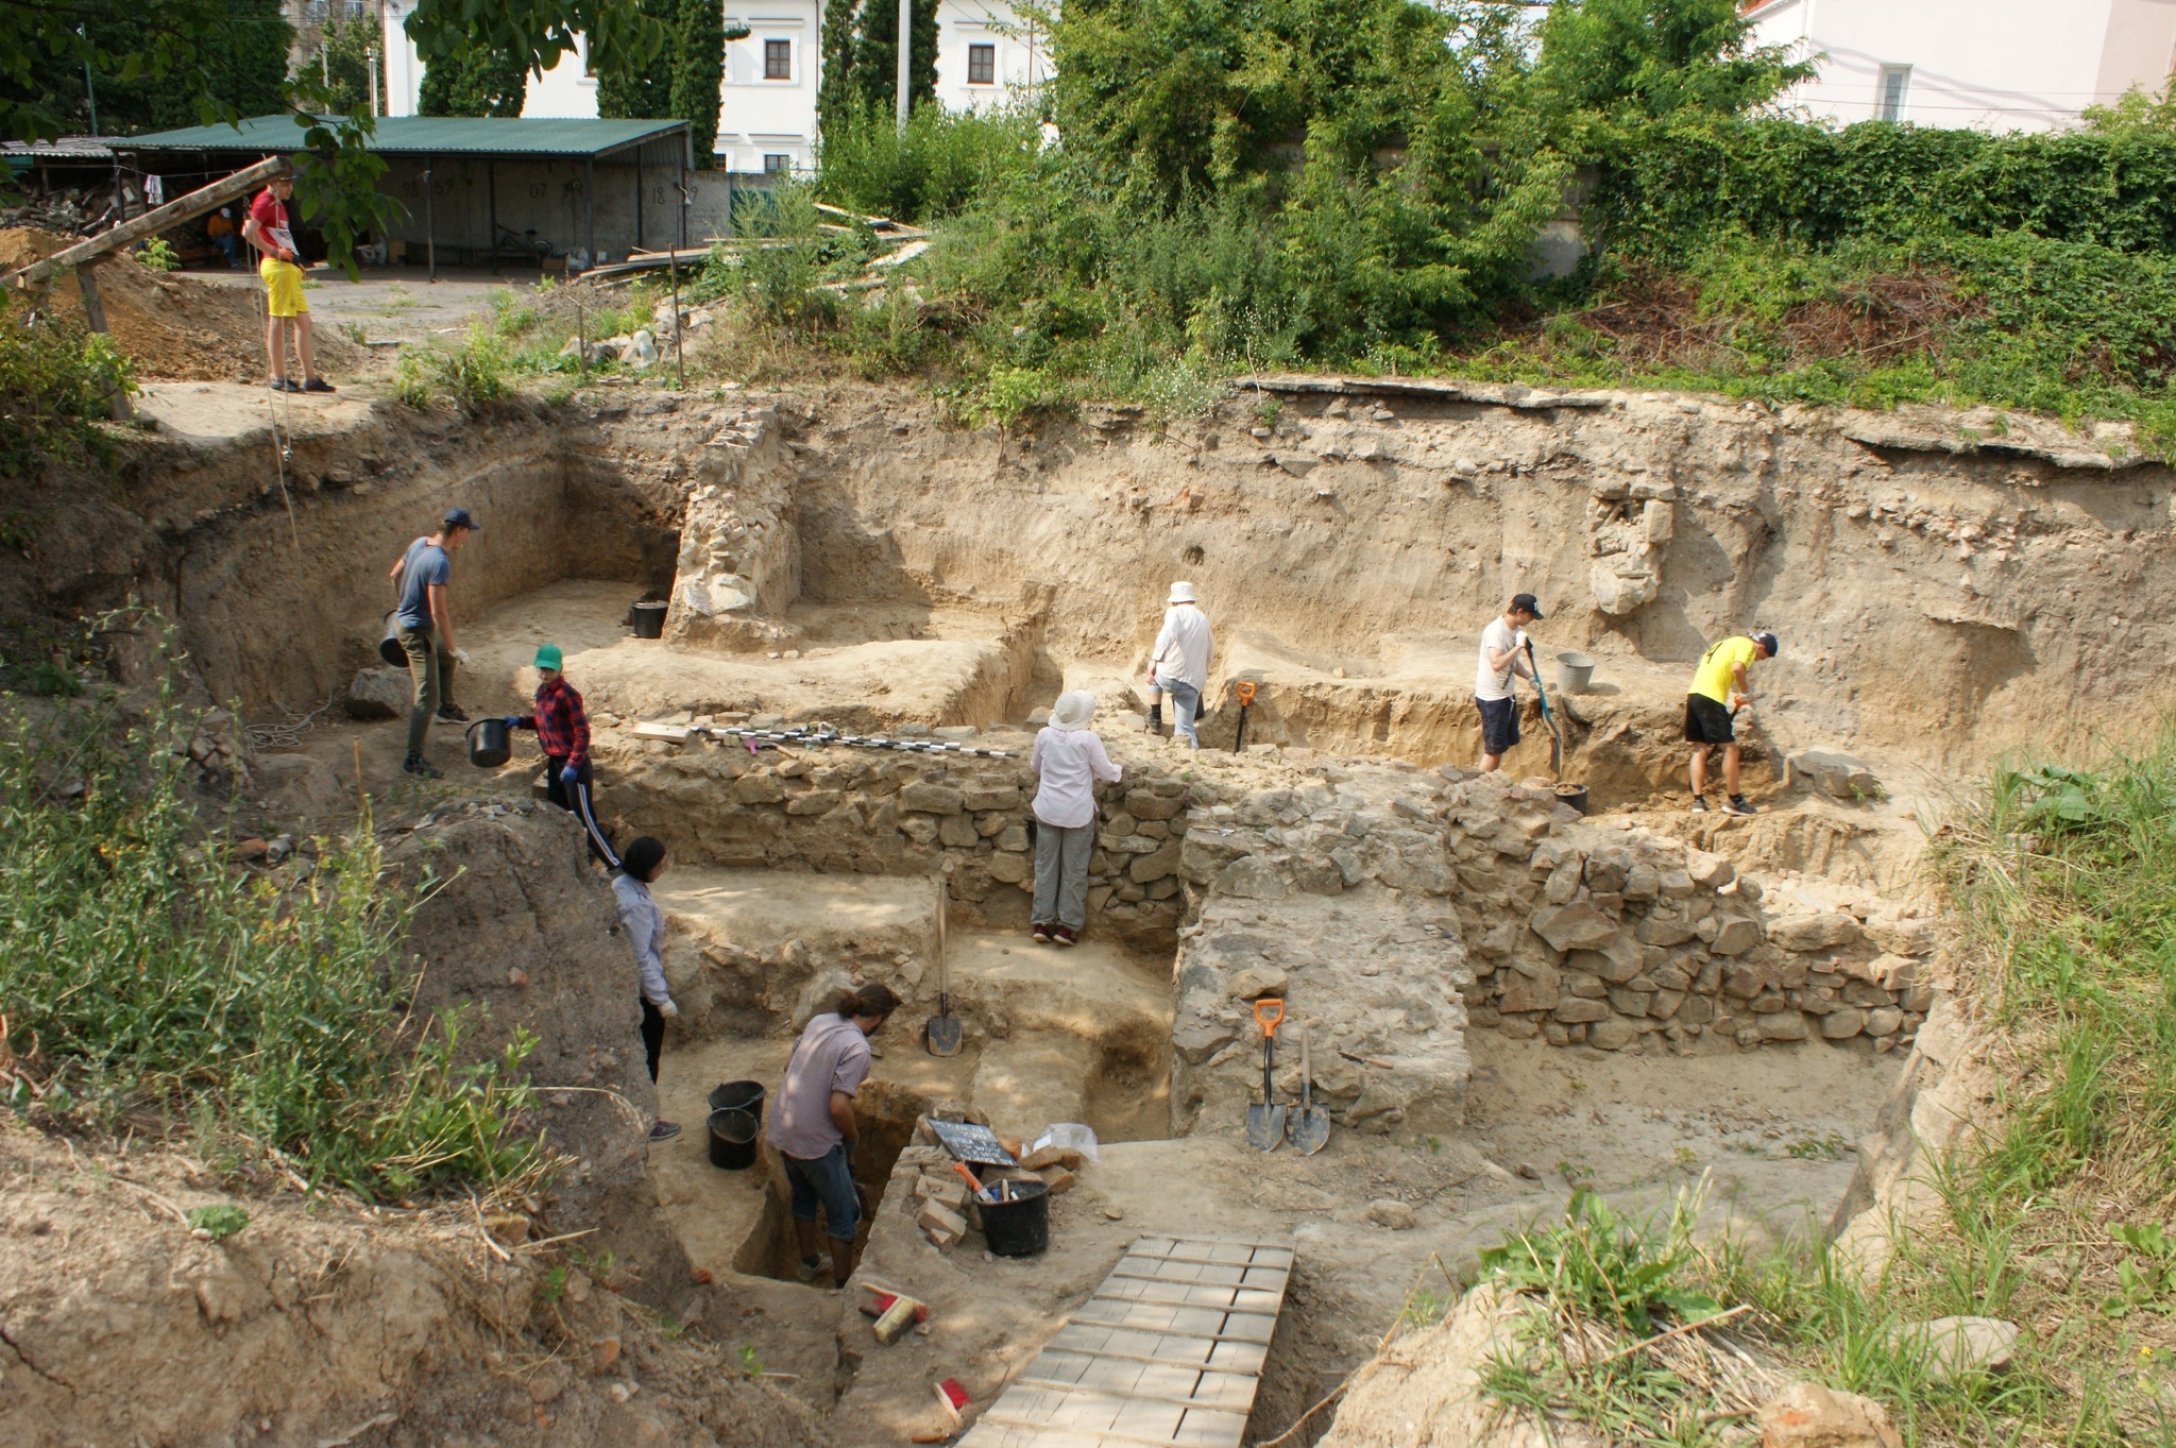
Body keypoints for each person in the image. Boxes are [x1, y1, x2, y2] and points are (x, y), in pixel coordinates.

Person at [771, 983, 900, 1289]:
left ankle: (808, 1264)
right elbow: (839, 1107)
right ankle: (844, 1285)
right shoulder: (857, 1048)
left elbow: (789, 1066)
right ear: (879, 1018)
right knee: (843, 1214)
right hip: (817, 1143)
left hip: (784, 1127)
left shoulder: (821, 1021)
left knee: (803, 1198)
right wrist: (852, 1137)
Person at [504, 644, 623, 869]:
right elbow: (542, 722)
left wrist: (573, 764)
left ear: (560, 668)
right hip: (555, 762)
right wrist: (520, 722)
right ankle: (568, 863)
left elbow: (582, 733)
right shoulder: (541, 692)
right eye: (541, 669)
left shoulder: (567, 695)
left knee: (585, 819)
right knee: (557, 813)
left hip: (573, 766)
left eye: (549, 670)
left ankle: (615, 865)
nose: (545, 674)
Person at [1030, 690, 1123, 947]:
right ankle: (1066, 928)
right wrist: (1119, 770)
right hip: (1077, 814)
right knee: (1074, 871)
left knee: (1045, 867)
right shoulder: (1088, 739)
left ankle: (1041, 922)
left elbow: (1035, 767)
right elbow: (1107, 773)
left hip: (1047, 809)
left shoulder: (1044, 735)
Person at [390, 508, 478, 778]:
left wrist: (403, 605)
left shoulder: (419, 543)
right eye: (467, 532)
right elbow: (439, 611)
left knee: (445, 657)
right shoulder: (440, 561)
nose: (466, 538)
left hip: (410, 621)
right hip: (417, 631)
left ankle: (447, 708)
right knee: (426, 696)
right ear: (459, 531)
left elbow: (394, 575)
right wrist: (453, 645)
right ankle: (413, 760)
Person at [240, 167, 333, 394]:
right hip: (277, 268)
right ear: (272, 183)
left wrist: (295, 261)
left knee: (304, 323)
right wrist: (273, 252)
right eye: (285, 184)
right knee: (278, 321)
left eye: (290, 183)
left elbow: (282, 236)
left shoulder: (278, 205)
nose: (289, 188)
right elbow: (248, 232)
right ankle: (278, 377)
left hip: (288, 268)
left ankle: (310, 378)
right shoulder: (265, 202)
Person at [612, 836, 681, 1143]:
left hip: (630, 990)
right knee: (647, 1058)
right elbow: (641, 957)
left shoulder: (622, 886)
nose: (664, 868)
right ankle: (647, 1121)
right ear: (647, 867)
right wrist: (660, 999)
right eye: (660, 864)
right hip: (642, 995)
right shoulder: (636, 906)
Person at [1685, 630, 1778, 816]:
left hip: (1694, 695)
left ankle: (1698, 802)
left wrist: (1734, 695)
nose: (1759, 660)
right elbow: (1737, 668)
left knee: (1699, 748)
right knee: (1731, 749)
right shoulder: (1747, 646)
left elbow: (1718, 671)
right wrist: (1745, 691)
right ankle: (1734, 800)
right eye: (1763, 657)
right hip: (1711, 699)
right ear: (1761, 647)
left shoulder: (1726, 643)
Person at [1474, 593, 1544, 773]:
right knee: (1493, 751)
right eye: (1530, 616)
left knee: (1500, 748)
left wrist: (1530, 677)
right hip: (1493, 699)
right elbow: (1497, 663)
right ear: (1520, 612)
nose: (1532, 621)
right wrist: (1519, 647)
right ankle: (1478, 789)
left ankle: (1487, 785)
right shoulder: (1495, 631)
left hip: (1505, 696)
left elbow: (1511, 663)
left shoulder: (1513, 632)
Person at [1146, 581, 1213, 749]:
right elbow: (1210, 650)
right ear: (1192, 599)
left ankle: (1155, 717)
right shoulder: (1203, 618)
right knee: (1185, 730)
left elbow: (1167, 635)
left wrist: (1154, 660)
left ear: (1174, 600)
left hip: (1169, 676)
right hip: (1192, 684)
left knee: (1153, 677)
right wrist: (1201, 676)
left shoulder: (1174, 612)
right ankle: (1193, 761)